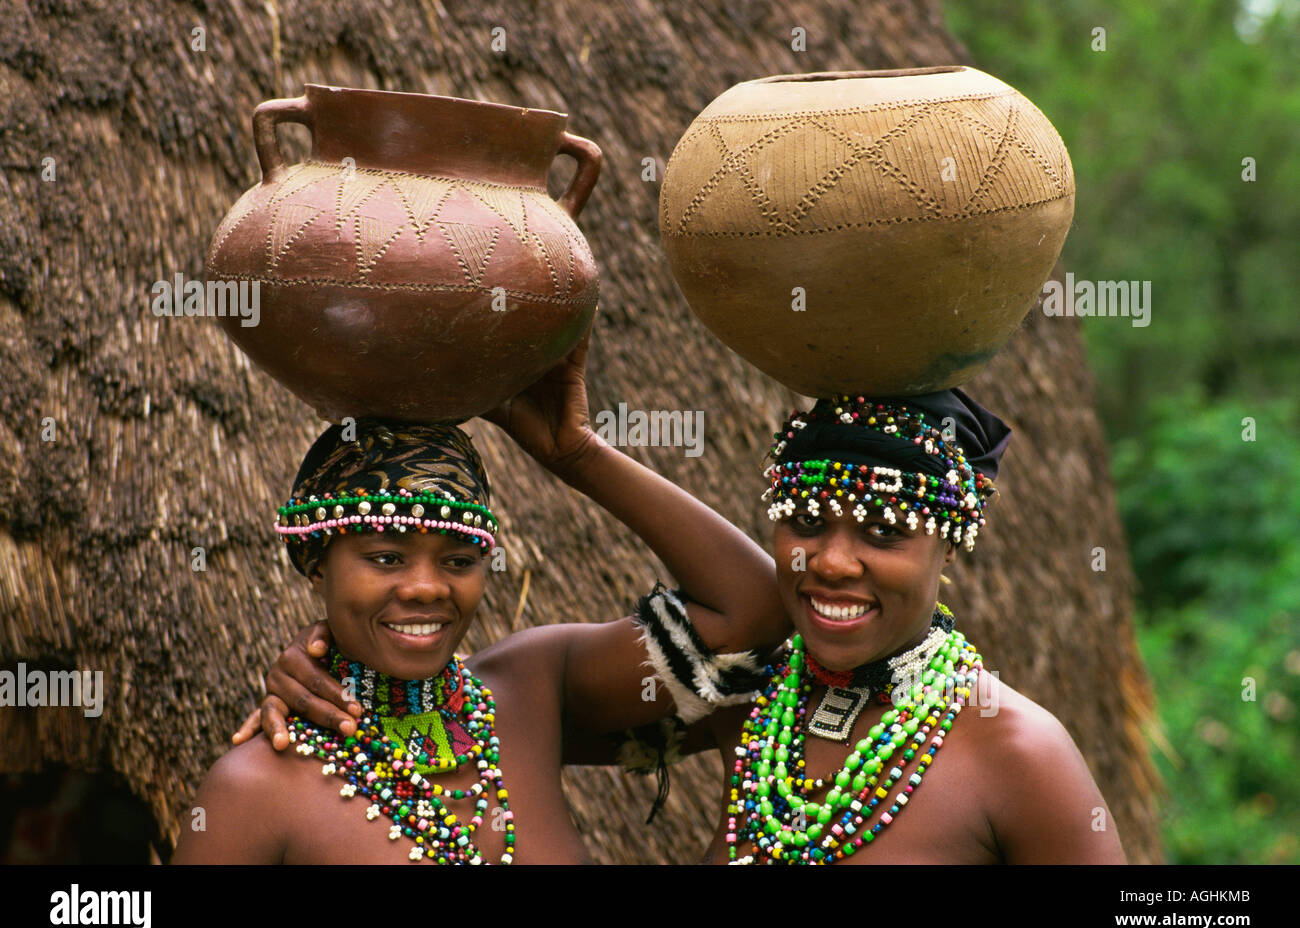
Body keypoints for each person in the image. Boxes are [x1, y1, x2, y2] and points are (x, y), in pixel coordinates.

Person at [235, 354, 1128, 864]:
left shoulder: (1016, 750)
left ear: (949, 542)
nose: (836, 563)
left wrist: (583, 455)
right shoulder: (767, 705)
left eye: (885, 533)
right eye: (808, 523)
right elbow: (752, 615)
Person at [173, 334, 790, 864]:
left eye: (458, 560)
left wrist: (577, 455)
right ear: (314, 564)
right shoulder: (255, 789)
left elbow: (755, 612)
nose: (425, 587)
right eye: (385, 557)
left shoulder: (531, 687)